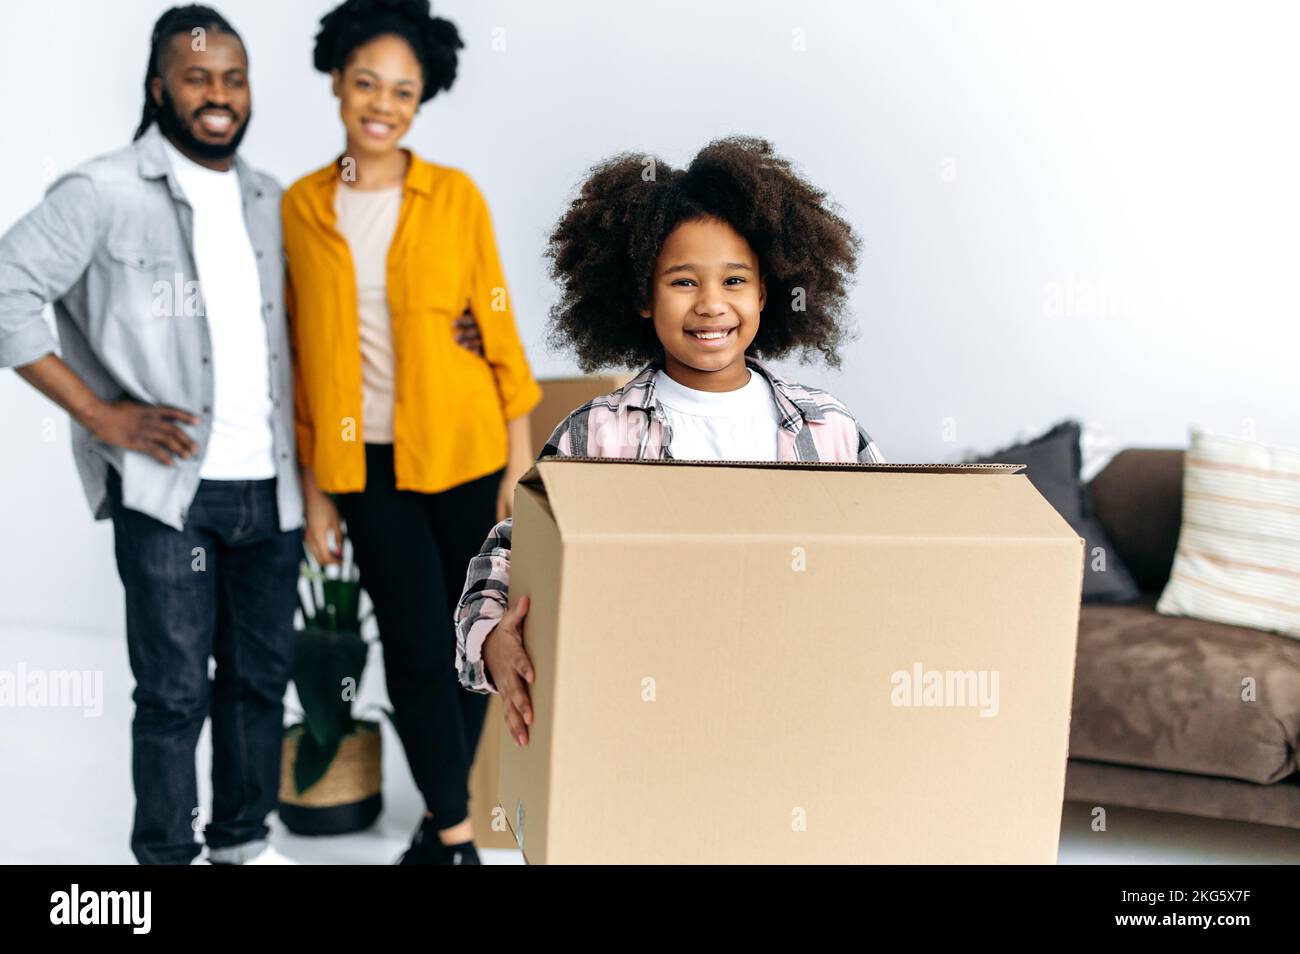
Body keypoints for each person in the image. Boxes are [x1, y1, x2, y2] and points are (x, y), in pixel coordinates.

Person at [454, 136, 887, 750]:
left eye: (735, 280)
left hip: (790, 714)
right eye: (683, 282)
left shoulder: (829, 429)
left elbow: (886, 556)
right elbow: (512, 549)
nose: (712, 304)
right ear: (640, 296)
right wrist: (491, 637)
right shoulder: (598, 434)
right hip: (648, 719)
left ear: (766, 291)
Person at [0, 5, 302, 864]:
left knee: (258, 685)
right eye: (198, 75)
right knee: (173, 695)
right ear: (159, 86)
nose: (218, 94)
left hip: (269, 486)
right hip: (168, 489)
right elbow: (4, 291)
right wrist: (99, 415)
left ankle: (242, 843)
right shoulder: (102, 192)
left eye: (233, 78)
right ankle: (165, 860)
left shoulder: (270, 201)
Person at [283, 0, 542, 865]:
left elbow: (495, 325)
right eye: (367, 83)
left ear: (422, 97)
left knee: (469, 643)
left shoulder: (455, 197)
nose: (383, 104)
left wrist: (518, 461)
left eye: (403, 89)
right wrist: (317, 490)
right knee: (417, 646)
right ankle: (458, 832)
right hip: (365, 466)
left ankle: (440, 824)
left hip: (467, 449)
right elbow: (302, 361)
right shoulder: (300, 209)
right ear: (337, 83)